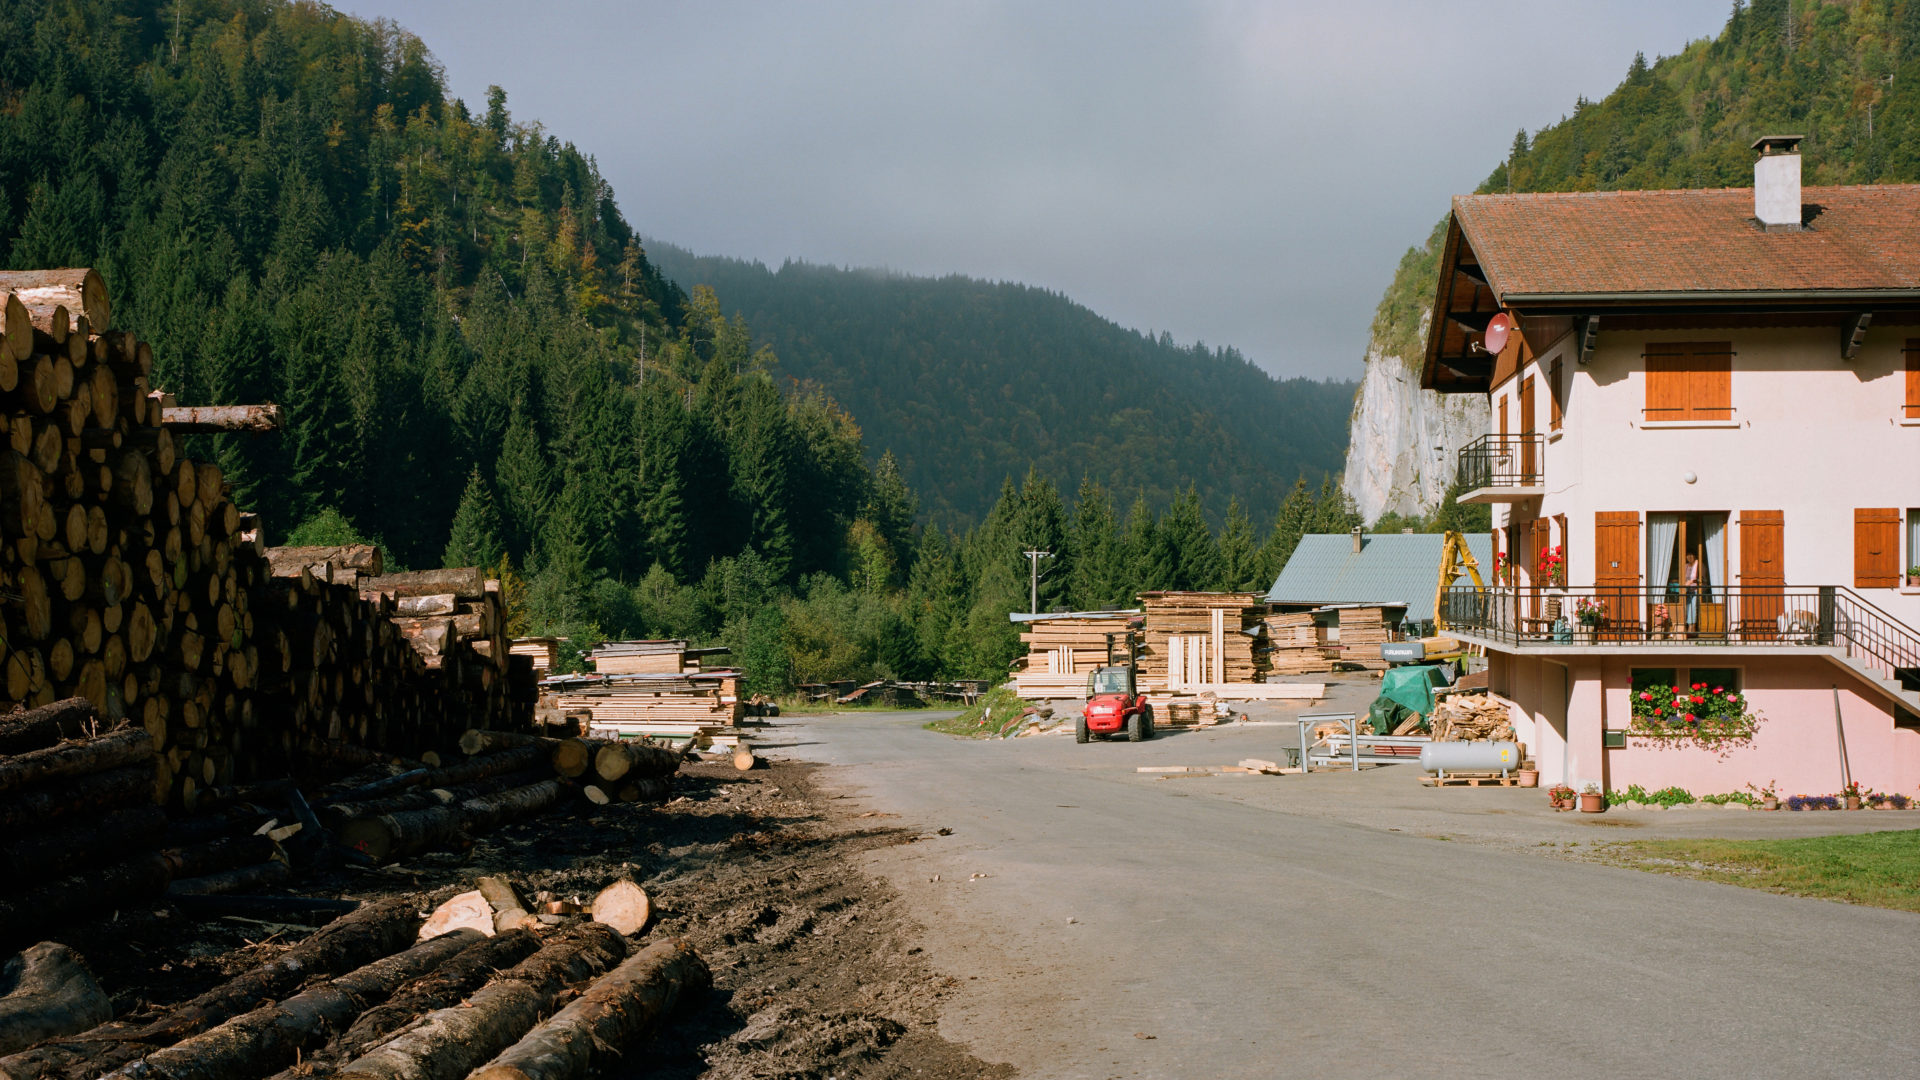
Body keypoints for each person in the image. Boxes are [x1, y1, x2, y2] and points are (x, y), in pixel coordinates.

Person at [1682, 552, 1700, 635]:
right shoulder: (1685, 566)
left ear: (1695, 555)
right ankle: (1688, 626)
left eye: (1691, 554)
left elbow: (1701, 578)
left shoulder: (1699, 565)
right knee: (1688, 608)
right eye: (1687, 555)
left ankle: (1691, 627)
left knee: (1693, 607)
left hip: (1696, 590)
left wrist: (1692, 581)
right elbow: (1682, 577)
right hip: (1687, 590)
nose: (1689, 557)